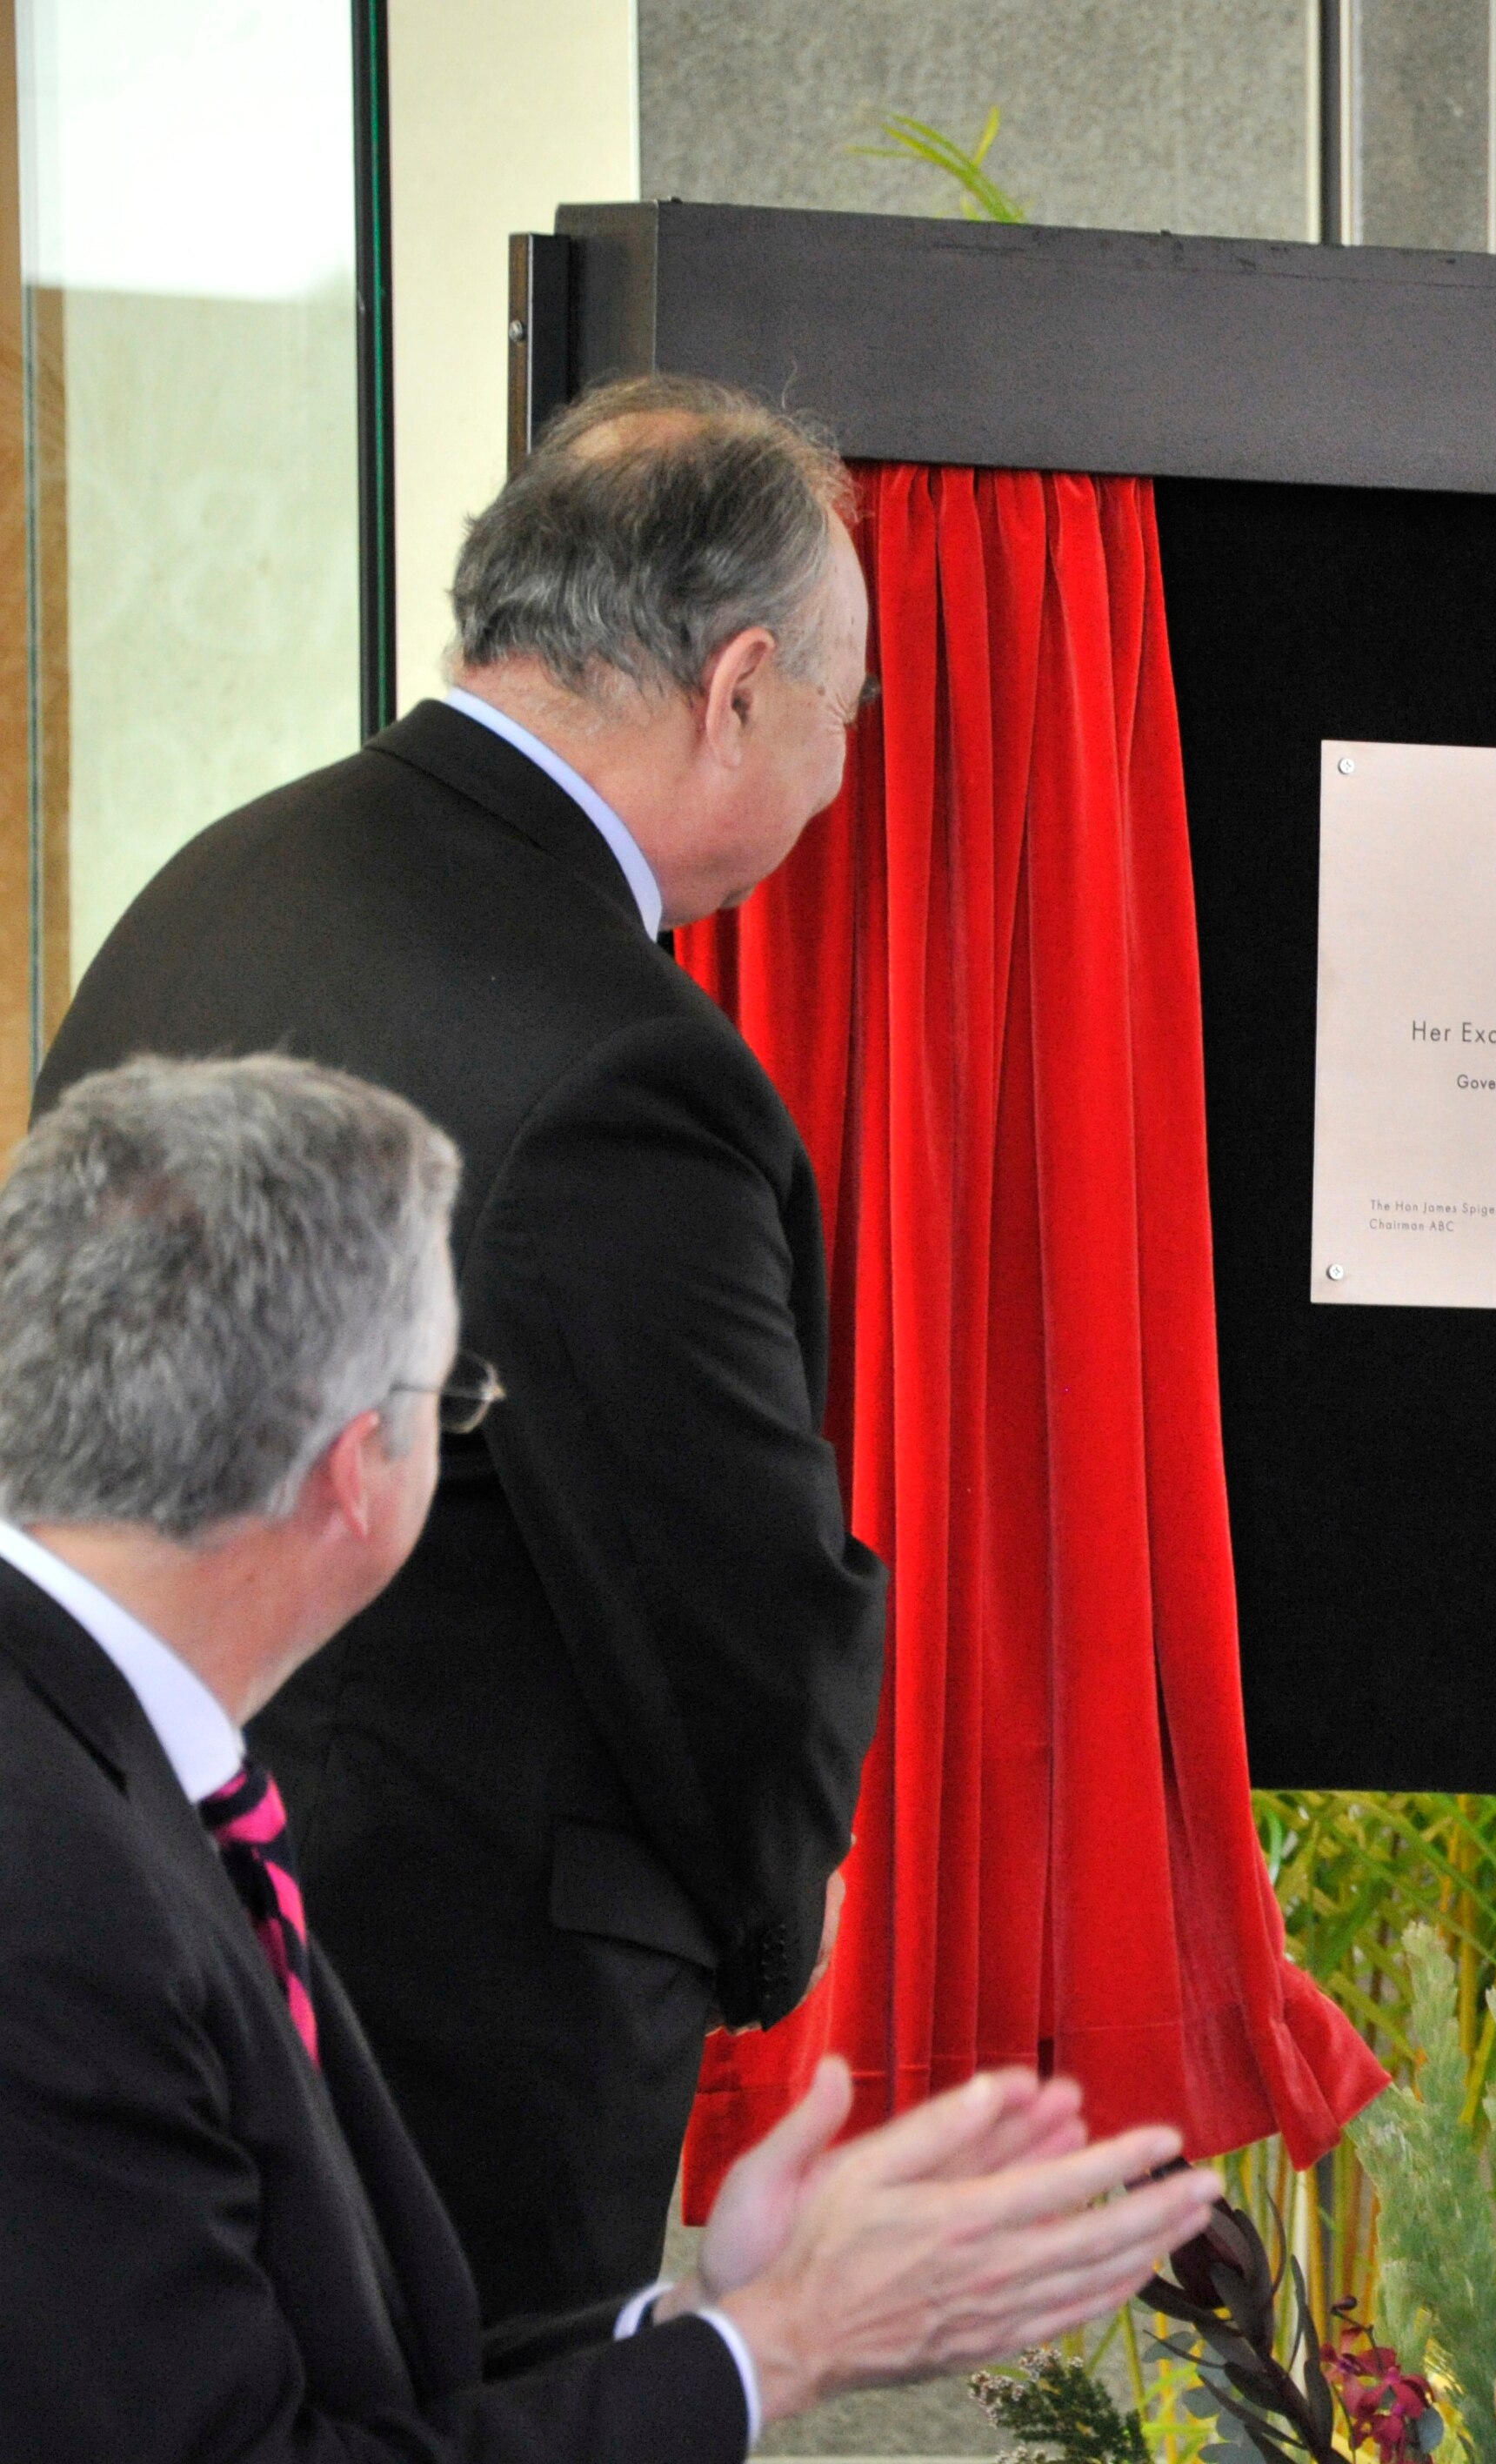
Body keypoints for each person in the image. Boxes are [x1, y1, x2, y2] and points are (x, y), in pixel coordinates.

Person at [0, 1052, 1221, 2460]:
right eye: (454, 1397)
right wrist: (780, 2350)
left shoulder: (104, 1763)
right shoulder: (53, 1879)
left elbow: (336, 2375)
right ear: (359, 1468)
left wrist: (709, 2323)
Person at [34, 372, 887, 2322]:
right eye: (841, 712)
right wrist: (766, 1925)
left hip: (122, 1905)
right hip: (449, 2029)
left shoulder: (218, 876)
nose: (840, 771)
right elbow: (724, 1611)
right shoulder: (627, 1063)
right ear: (737, 685)